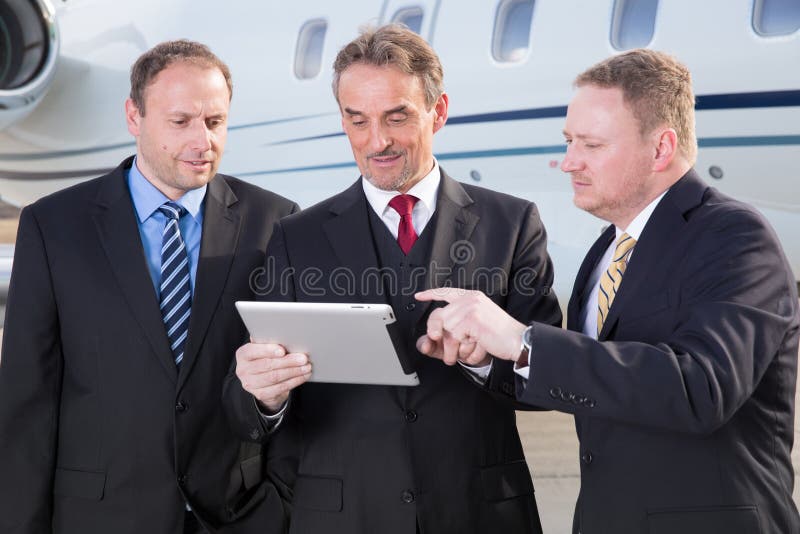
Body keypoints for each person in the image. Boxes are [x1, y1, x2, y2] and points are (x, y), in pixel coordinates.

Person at [415, 48, 800, 533]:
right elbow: (591, 385)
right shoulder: (607, 248)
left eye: (591, 146)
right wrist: (491, 357)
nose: (568, 162)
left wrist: (523, 340)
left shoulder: (735, 238)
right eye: (568, 140)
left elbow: (701, 389)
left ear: (661, 148)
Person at [223, 24, 562, 534]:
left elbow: (549, 381)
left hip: (479, 512)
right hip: (342, 516)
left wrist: (488, 359)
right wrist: (263, 395)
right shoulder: (297, 237)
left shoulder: (512, 224)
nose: (376, 141)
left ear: (438, 111)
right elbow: (245, 409)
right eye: (357, 121)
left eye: (396, 117)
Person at [0, 40, 298, 534]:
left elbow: (296, 382)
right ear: (134, 117)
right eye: (180, 122)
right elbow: (26, 405)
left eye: (215, 122)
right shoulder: (53, 227)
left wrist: (281, 505)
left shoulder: (275, 222)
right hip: (99, 516)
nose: (203, 142)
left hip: (237, 516)